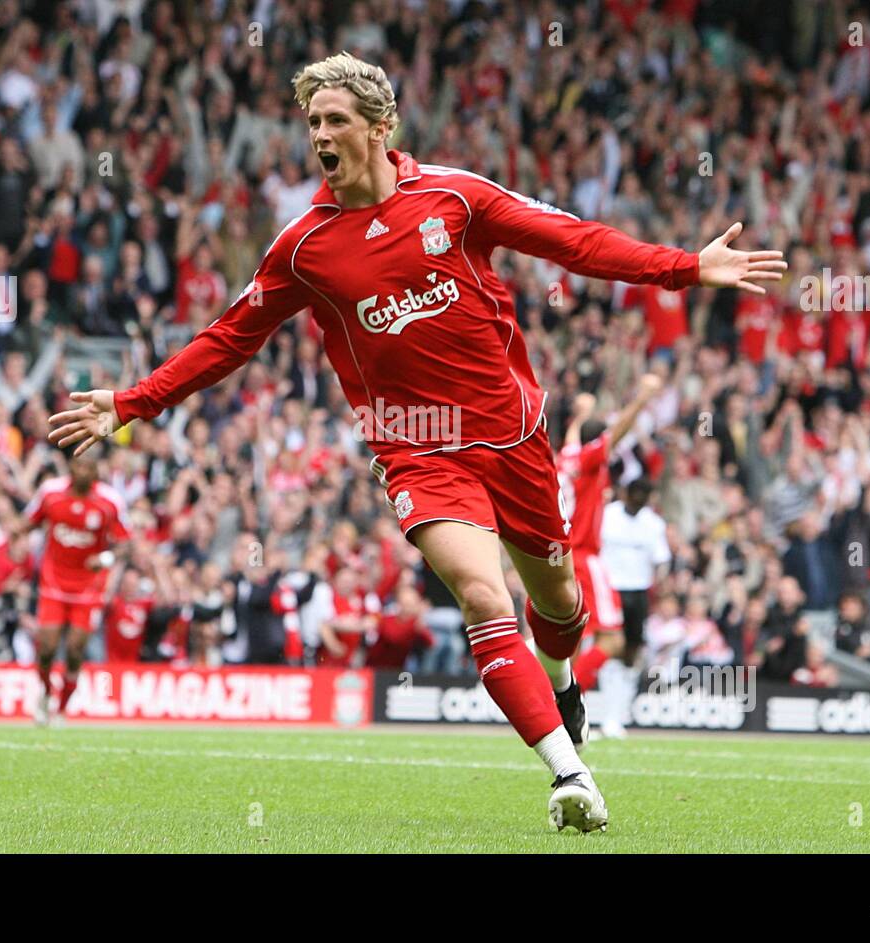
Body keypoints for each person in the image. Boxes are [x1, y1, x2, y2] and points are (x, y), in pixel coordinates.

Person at [47, 52, 785, 832]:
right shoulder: (304, 247)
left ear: (379, 126)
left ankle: (562, 676)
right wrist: (130, 402)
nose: (320, 136)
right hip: (416, 451)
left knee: (559, 601)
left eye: (335, 120)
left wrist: (684, 268)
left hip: (513, 437)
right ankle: (571, 774)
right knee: (479, 593)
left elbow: (573, 241)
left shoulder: (456, 198)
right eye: (312, 123)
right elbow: (231, 337)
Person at [555, 373, 663, 725]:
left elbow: (575, 438)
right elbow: (616, 434)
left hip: (562, 558)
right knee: (613, 642)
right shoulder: (589, 460)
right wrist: (643, 396)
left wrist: (581, 414)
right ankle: (566, 701)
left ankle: (559, 697)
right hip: (586, 556)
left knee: (568, 643)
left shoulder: (567, 458)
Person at [18, 451, 130, 725]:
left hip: (88, 588)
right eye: (78, 465)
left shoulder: (109, 502)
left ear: (96, 471)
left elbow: (125, 544)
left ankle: (62, 708)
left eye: (88, 467)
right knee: (46, 648)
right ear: (71, 467)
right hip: (54, 581)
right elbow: (28, 522)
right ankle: (45, 694)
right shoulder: (51, 492)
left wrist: (104, 559)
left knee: (75, 649)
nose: (82, 471)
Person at [597, 477, 672, 738]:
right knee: (609, 647)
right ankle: (605, 713)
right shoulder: (607, 516)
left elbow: (661, 559)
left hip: (638, 591)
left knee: (631, 651)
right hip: (610, 589)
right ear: (625, 494)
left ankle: (617, 715)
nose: (637, 503)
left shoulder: (653, 524)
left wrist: (662, 581)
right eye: (634, 497)